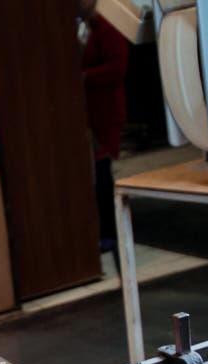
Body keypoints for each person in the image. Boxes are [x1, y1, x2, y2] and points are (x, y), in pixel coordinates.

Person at [78, 0, 129, 250]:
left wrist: (86, 77)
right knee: (96, 172)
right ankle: (103, 230)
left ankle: (109, 231)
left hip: (105, 111)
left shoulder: (107, 27)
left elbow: (118, 67)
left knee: (102, 170)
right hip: (90, 110)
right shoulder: (84, 27)